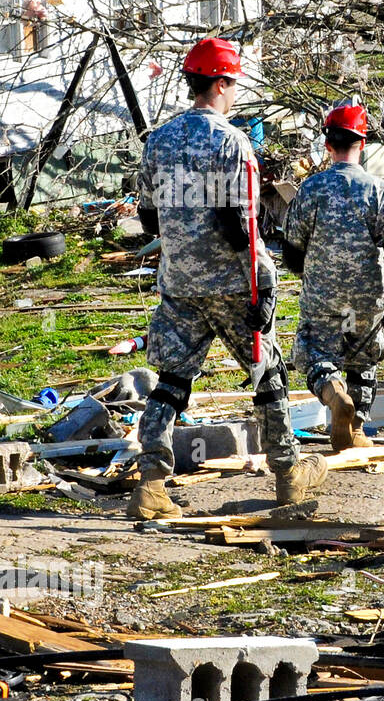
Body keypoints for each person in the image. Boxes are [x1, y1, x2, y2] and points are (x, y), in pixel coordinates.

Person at [128, 38, 328, 519]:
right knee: (268, 378)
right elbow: (244, 226)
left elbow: (150, 218)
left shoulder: (158, 139)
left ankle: (151, 484)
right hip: (235, 285)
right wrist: (265, 282)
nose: (235, 92)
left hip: (179, 283)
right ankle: (288, 478)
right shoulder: (231, 143)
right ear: (219, 83)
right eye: (233, 83)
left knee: (171, 381)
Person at [282, 102, 384, 451]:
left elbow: (292, 252)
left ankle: (331, 391)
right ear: (363, 143)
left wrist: (309, 272)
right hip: (368, 298)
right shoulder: (380, 190)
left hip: (324, 298)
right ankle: (355, 430)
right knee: (363, 358)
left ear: (328, 144)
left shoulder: (311, 190)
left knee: (313, 354)